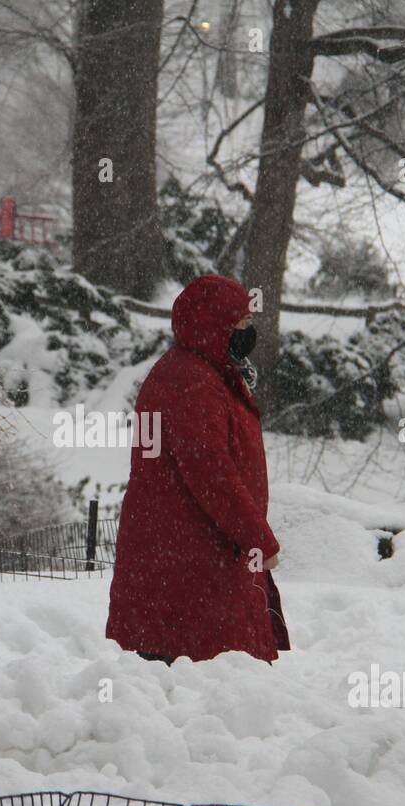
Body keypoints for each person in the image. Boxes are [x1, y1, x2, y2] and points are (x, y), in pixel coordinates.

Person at [106, 274, 289, 664]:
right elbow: (211, 474)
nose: (248, 333)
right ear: (215, 327)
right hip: (186, 563)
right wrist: (258, 538)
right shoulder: (190, 382)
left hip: (193, 556)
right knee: (196, 688)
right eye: (240, 325)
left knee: (197, 689)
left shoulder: (203, 373)